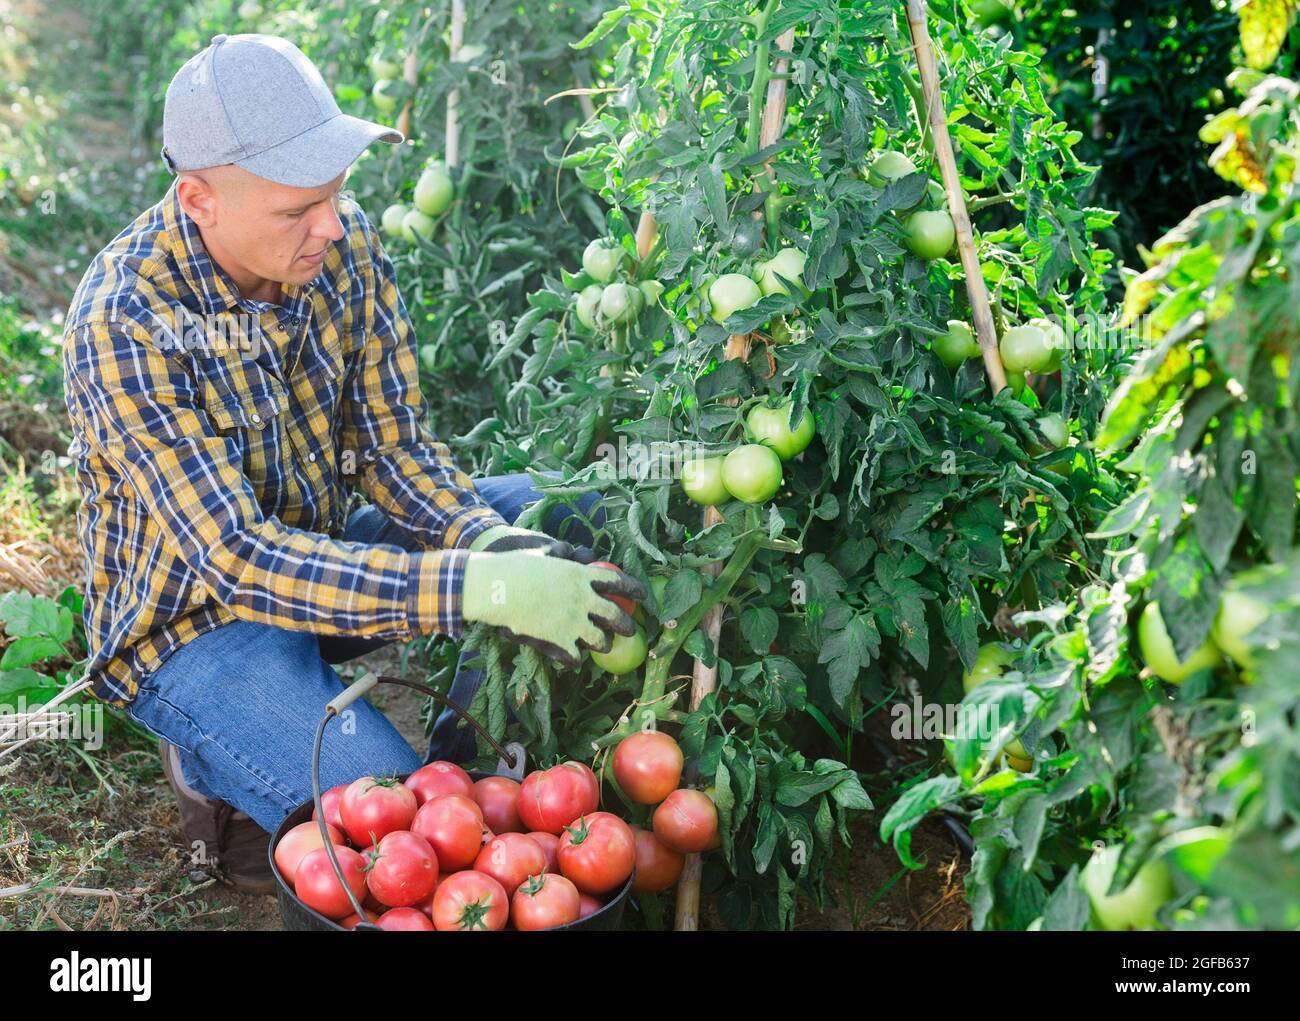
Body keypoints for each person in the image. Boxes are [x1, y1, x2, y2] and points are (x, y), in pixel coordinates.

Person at [61, 33, 643, 892]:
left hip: (326, 549)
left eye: (335, 193)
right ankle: (215, 755)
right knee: (405, 830)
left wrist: (489, 544)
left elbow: (391, 445)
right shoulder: (124, 322)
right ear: (199, 200)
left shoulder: (341, 246)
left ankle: (474, 763)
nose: (330, 225)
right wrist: (471, 587)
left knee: (557, 513)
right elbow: (240, 558)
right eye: (298, 208)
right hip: (194, 626)